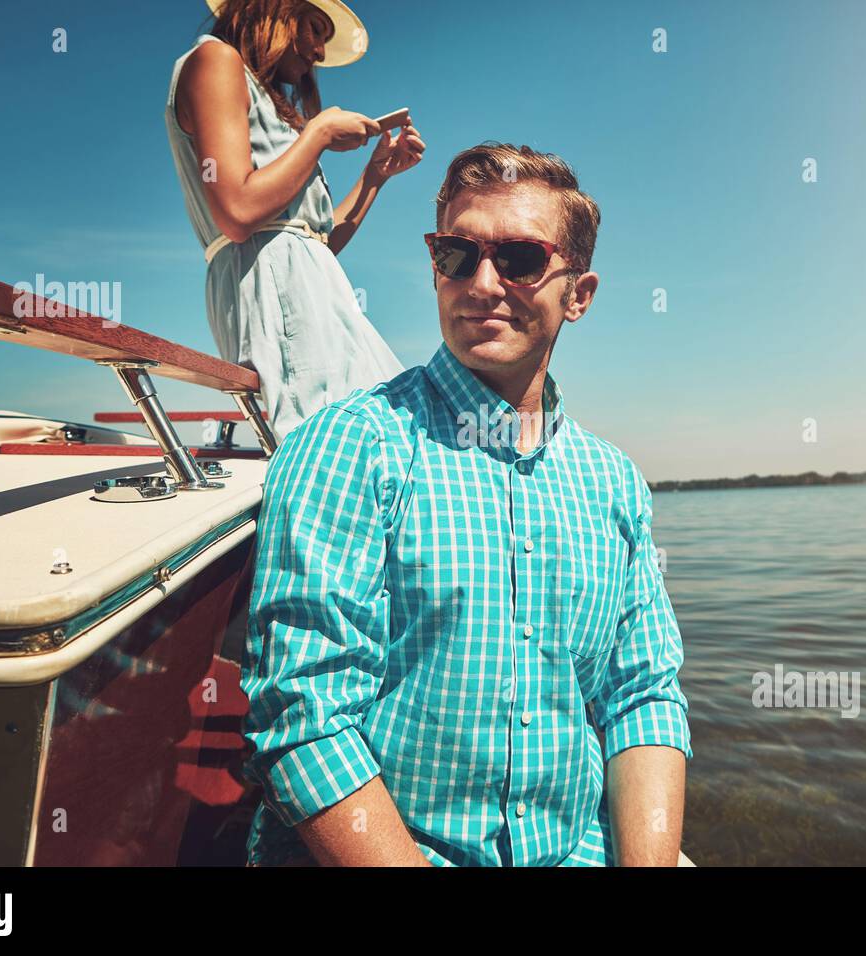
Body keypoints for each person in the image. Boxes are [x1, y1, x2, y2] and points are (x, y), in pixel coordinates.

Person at [242, 143, 694, 866]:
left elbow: (640, 696)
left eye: (517, 258)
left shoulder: (613, 481)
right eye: (456, 254)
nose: (481, 283)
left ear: (578, 294)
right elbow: (304, 718)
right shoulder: (351, 446)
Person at [165, 0, 425, 443]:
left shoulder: (260, 91)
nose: (320, 54)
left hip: (315, 294)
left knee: (393, 437)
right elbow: (237, 211)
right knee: (341, 448)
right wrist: (319, 134)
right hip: (275, 295)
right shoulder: (214, 58)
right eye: (315, 29)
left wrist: (374, 177)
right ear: (273, 9)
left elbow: (312, 242)